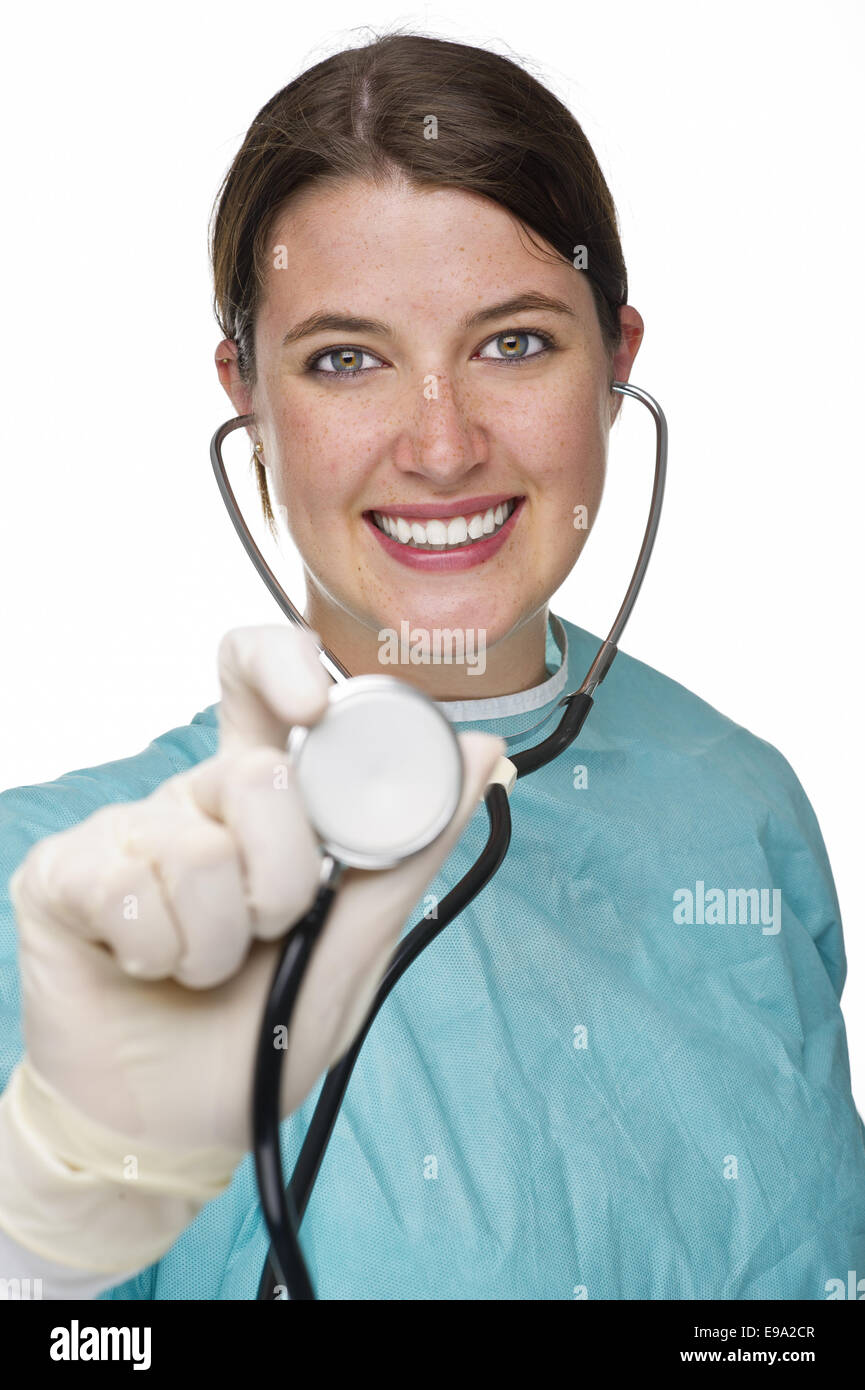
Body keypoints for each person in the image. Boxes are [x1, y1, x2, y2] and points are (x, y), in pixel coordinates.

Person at [1, 31, 863, 1302]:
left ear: (617, 359)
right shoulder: (65, 890)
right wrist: (50, 1235)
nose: (443, 445)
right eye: (345, 358)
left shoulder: (740, 802)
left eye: (514, 343)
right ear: (248, 395)